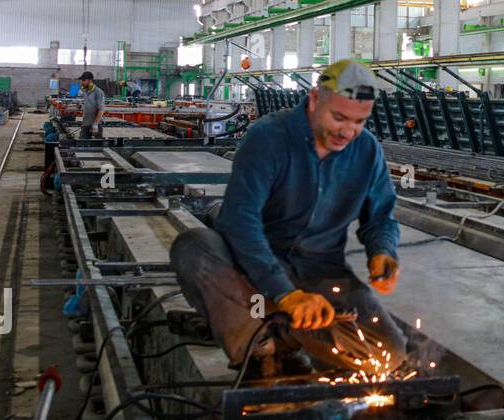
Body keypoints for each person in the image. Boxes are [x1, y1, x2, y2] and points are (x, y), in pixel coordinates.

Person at [169, 58, 405, 379]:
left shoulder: (366, 151)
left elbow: (381, 216)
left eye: (359, 122)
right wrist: (285, 293)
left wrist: (383, 252)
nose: (348, 132)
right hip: (253, 272)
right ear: (314, 100)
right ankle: (257, 350)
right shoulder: (269, 137)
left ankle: (286, 336)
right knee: (194, 247)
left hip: (321, 273)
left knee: (389, 354)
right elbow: (239, 221)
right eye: (338, 117)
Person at [78, 71, 106, 139]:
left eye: (84, 80)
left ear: (90, 80)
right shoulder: (84, 91)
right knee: (82, 144)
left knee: (97, 146)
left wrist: (95, 124)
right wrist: (81, 106)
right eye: (81, 80)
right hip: (86, 123)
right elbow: (88, 104)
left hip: (96, 124)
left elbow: (101, 110)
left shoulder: (98, 92)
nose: (82, 82)